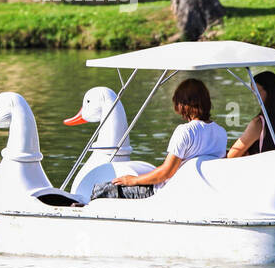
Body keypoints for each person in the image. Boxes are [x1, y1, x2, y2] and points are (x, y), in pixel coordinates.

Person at [90, 78, 227, 200]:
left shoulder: (186, 131)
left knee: (102, 190)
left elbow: (167, 172)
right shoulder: (221, 133)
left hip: (167, 192)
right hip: (195, 192)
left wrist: (133, 180)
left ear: (183, 104)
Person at [227, 71, 275, 158]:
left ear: (269, 92)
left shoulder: (259, 123)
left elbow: (232, 155)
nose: (255, 97)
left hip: (262, 169)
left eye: (257, 92)